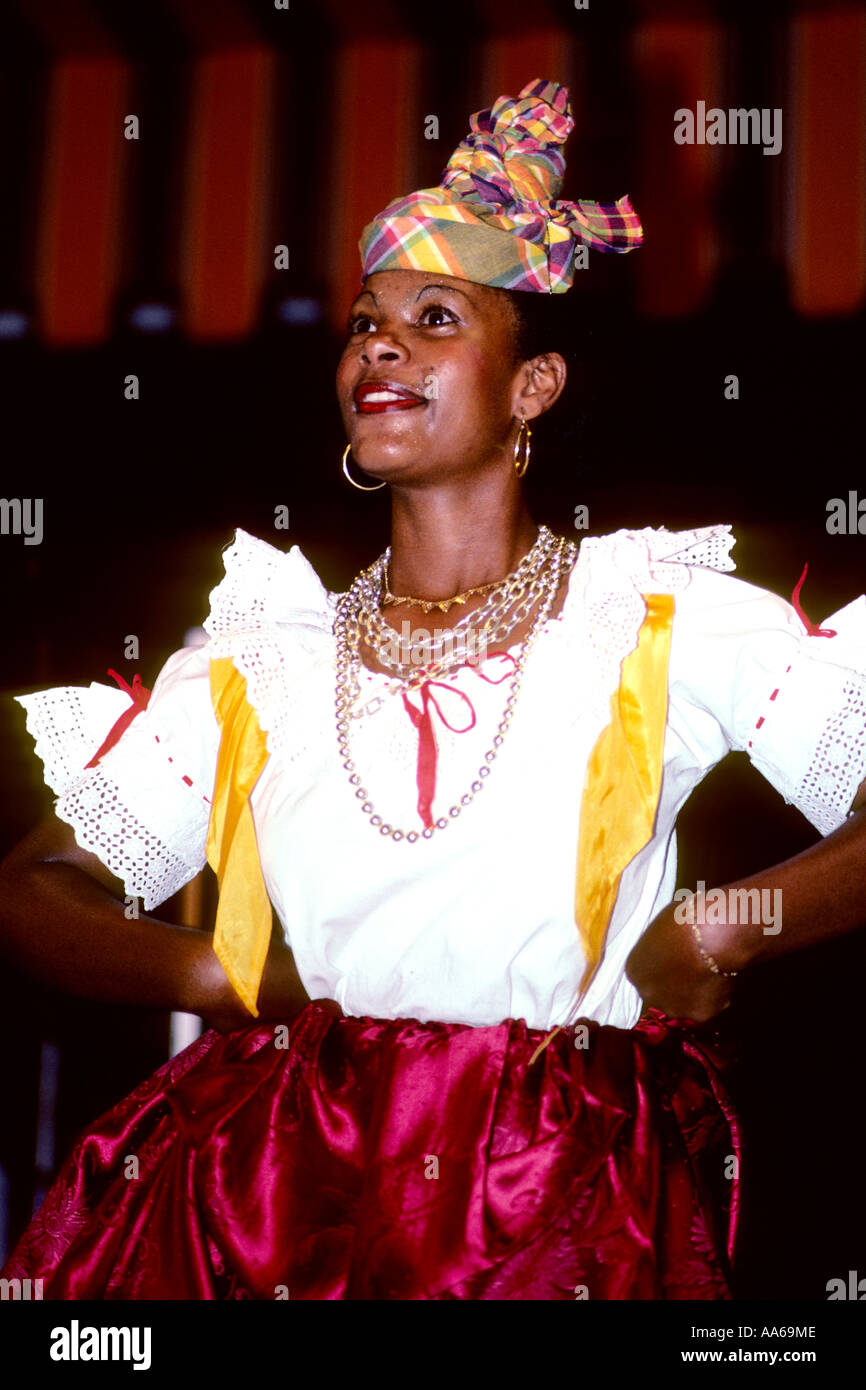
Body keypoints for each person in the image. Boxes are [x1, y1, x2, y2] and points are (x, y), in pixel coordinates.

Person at [2, 79, 865, 1301]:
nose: (380, 346)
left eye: (434, 317)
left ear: (532, 388)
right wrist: (226, 977)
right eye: (363, 323)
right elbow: (36, 887)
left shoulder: (654, 616)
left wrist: (721, 923)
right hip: (278, 1199)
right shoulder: (263, 659)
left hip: (555, 1199)